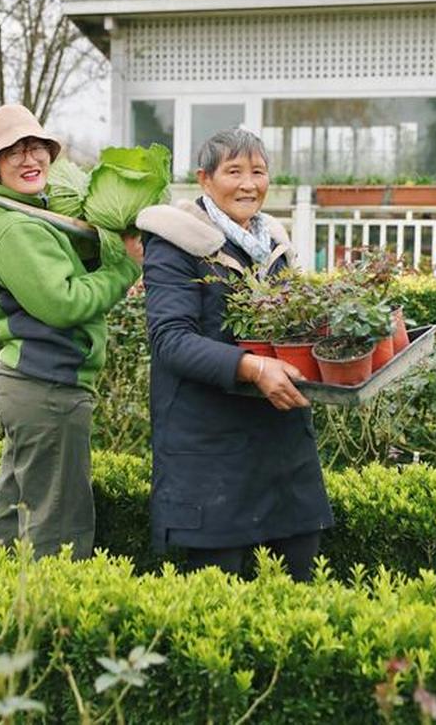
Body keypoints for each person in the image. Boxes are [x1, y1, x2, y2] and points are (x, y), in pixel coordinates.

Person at [136, 128, 333, 580]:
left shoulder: (274, 242)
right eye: (234, 171)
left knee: (299, 584)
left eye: (258, 172)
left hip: (280, 444)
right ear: (205, 180)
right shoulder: (175, 241)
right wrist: (252, 367)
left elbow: (291, 328)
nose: (249, 184)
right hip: (212, 448)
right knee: (217, 597)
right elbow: (170, 339)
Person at [0, 104, 143, 560]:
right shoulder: (15, 228)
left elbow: (71, 266)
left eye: (36, 148)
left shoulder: (32, 213)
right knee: (59, 522)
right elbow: (64, 303)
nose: (29, 160)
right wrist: (127, 266)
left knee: (14, 509)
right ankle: (52, 623)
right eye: (14, 153)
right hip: (47, 388)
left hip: (31, 385)